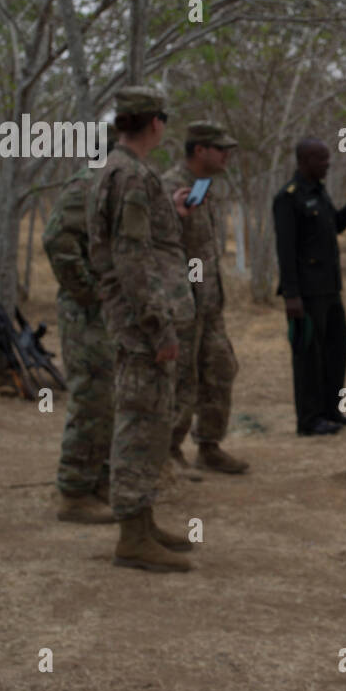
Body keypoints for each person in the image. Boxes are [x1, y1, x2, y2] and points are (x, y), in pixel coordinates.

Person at [87, 86, 196, 572]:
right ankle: (131, 536)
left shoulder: (123, 172)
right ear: (155, 123)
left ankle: (143, 520)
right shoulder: (129, 175)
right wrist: (158, 327)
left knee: (151, 420)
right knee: (139, 421)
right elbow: (131, 258)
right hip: (140, 325)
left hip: (137, 320)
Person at [163, 121, 249, 474]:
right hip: (182, 303)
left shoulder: (204, 187)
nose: (227, 155)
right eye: (221, 148)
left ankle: (209, 445)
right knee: (182, 378)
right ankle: (168, 452)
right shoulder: (169, 187)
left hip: (209, 300)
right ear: (200, 150)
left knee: (220, 367)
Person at [273, 138, 346, 434]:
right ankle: (309, 420)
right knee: (307, 357)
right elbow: (285, 250)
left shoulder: (319, 193)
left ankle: (331, 410)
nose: (327, 164)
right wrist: (291, 295)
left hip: (329, 289)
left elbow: (335, 227)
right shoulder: (289, 198)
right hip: (306, 293)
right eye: (321, 159)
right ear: (304, 162)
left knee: (336, 350)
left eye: (327, 158)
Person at [43, 165, 114, 524]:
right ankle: (74, 493)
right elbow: (56, 238)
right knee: (91, 397)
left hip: (110, 314)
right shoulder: (85, 186)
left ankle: (99, 480)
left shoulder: (113, 185)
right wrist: (87, 289)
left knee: (110, 398)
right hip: (86, 315)